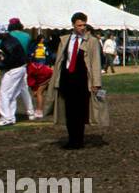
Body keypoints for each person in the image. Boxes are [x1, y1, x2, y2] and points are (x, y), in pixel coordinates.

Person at [45, 13, 106, 149]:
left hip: (82, 80)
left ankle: (78, 140)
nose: (82, 28)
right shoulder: (65, 40)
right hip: (67, 79)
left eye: (84, 25)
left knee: (80, 111)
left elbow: (96, 62)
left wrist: (96, 82)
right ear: (73, 25)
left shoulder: (91, 41)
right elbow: (60, 60)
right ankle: (71, 139)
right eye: (79, 25)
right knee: (69, 111)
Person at [0, 18, 39, 125]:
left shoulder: (6, 42)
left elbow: (10, 58)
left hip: (14, 68)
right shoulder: (26, 36)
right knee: (18, 92)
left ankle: (7, 118)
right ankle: (27, 113)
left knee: (4, 93)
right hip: (23, 66)